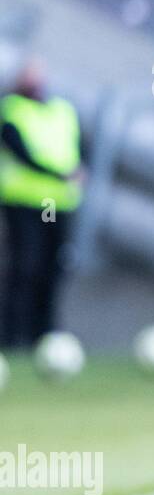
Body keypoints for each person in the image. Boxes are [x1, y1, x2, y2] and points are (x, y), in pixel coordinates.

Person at [0, 61, 82, 349]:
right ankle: (11, 337)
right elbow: (20, 151)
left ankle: (44, 334)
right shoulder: (11, 110)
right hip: (25, 203)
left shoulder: (62, 111)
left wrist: (76, 171)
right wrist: (59, 174)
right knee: (25, 267)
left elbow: (78, 148)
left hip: (57, 204)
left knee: (53, 267)